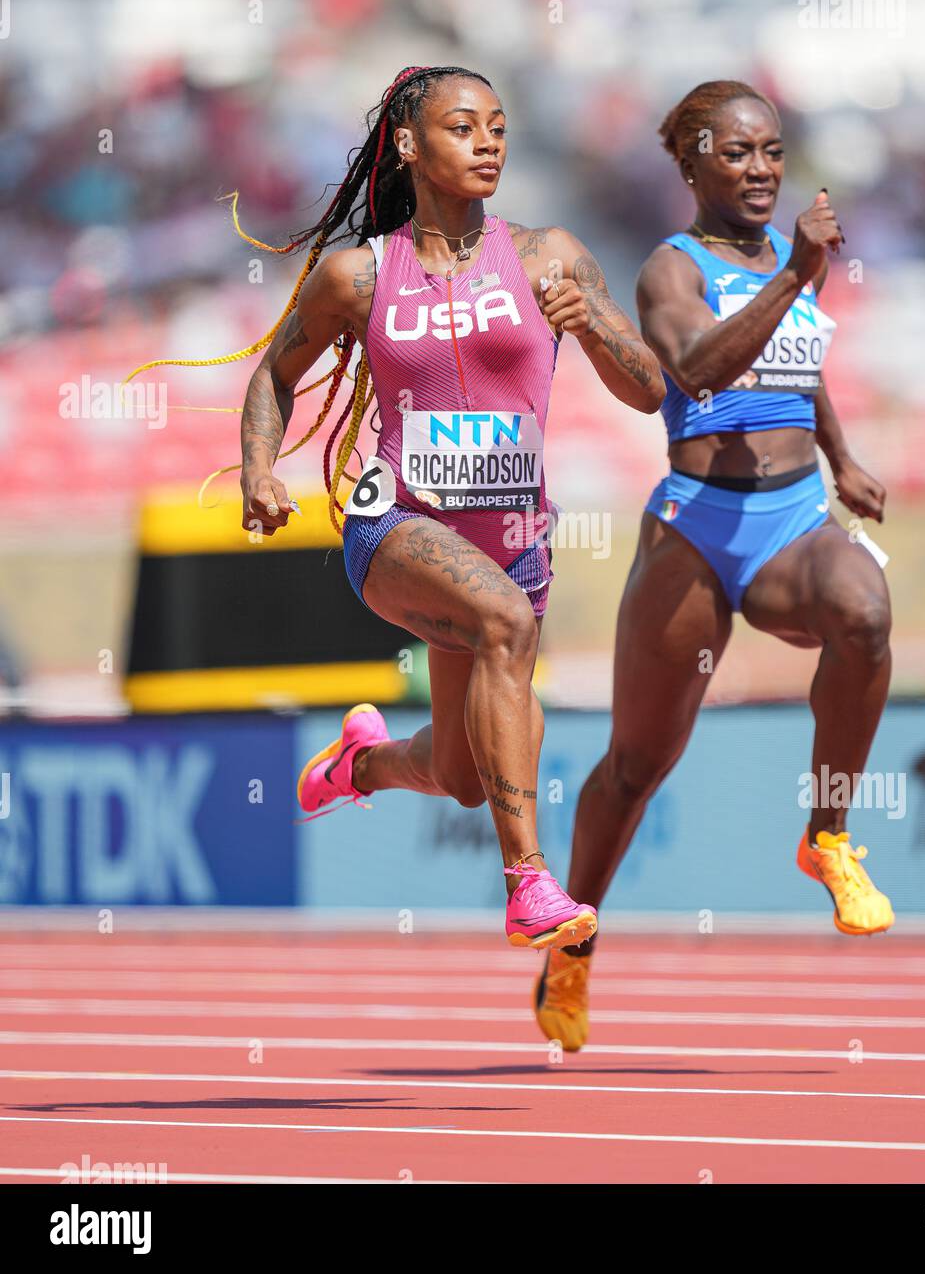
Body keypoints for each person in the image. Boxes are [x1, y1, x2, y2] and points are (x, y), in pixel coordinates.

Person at [221, 64, 661, 950]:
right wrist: (259, 468)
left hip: (514, 540)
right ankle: (529, 884)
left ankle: (362, 765)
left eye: (499, 126)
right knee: (500, 622)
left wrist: (595, 325)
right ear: (412, 145)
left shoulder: (551, 255)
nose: (489, 141)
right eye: (465, 128)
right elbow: (274, 374)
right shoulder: (357, 276)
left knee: (464, 776)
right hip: (397, 528)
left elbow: (650, 389)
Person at [535, 80, 894, 1048]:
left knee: (863, 608)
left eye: (772, 151)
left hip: (789, 521)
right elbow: (690, 371)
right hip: (695, 527)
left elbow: (795, 358)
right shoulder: (669, 268)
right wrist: (794, 278)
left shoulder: (789, 259)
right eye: (737, 153)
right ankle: (570, 945)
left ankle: (827, 837)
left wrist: (840, 455)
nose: (761, 170)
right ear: (692, 161)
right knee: (635, 765)